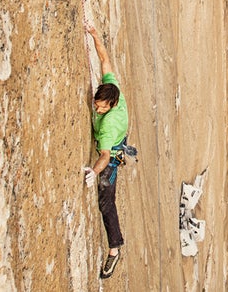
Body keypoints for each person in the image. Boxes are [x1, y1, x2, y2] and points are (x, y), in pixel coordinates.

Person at [82, 24, 129, 279]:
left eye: (101, 108)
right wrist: (95, 35)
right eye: (95, 106)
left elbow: (104, 156)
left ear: (111, 105)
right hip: (118, 142)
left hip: (112, 151)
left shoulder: (108, 125)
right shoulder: (111, 87)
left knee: (105, 200)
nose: (97, 110)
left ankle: (114, 249)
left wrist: (93, 172)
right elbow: (105, 59)